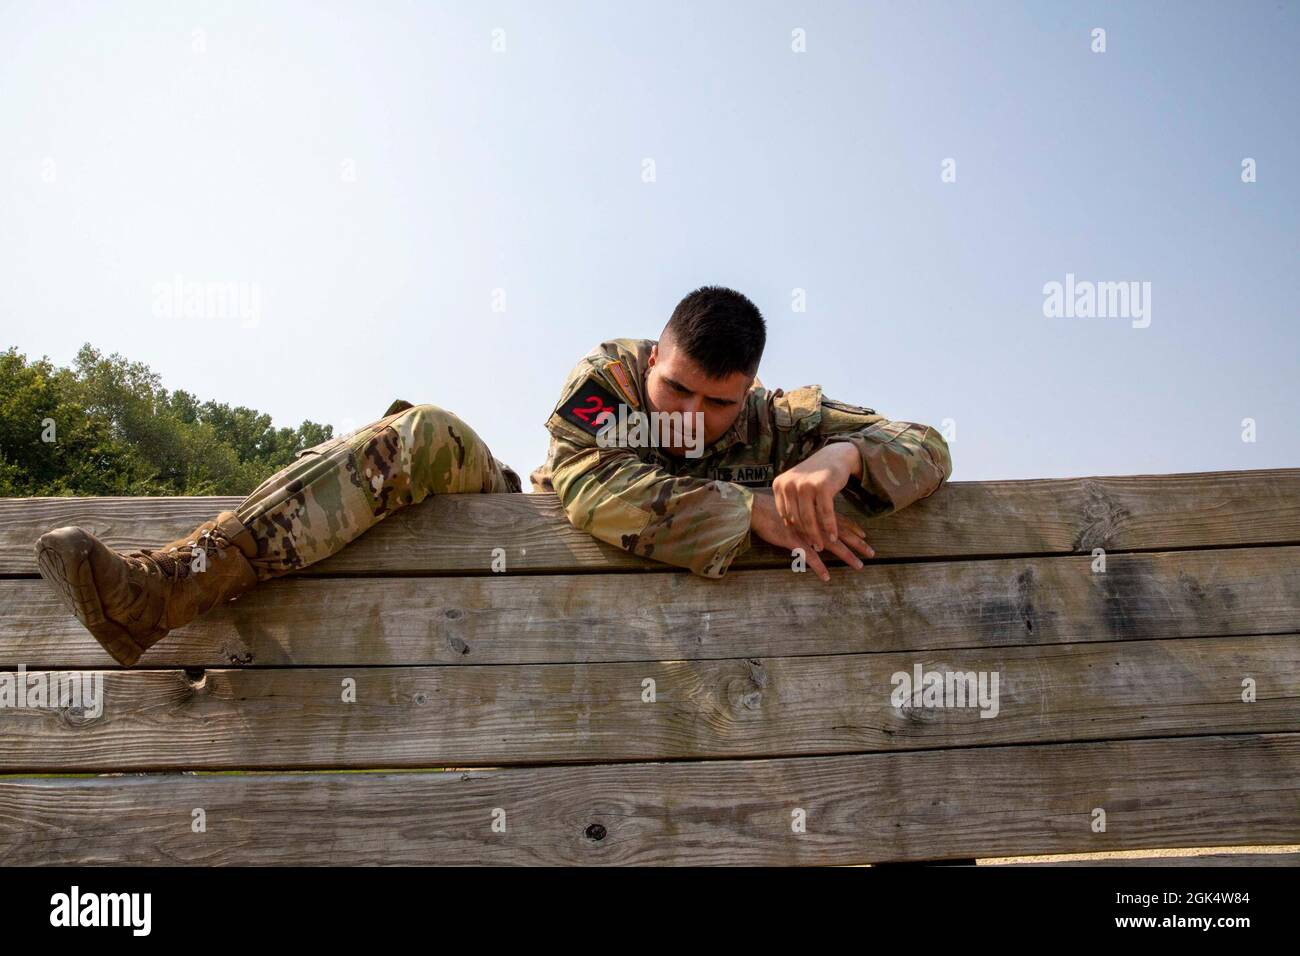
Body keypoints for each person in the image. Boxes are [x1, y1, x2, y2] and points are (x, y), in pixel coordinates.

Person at [34, 286, 952, 666]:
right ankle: (163, 592)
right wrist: (751, 510)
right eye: (675, 389)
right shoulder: (606, 381)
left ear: (746, 391)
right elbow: (592, 488)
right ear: (652, 357)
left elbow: (928, 447)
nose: (690, 418)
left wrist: (842, 455)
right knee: (424, 432)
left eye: (718, 406)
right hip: (520, 541)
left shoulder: (776, 420)